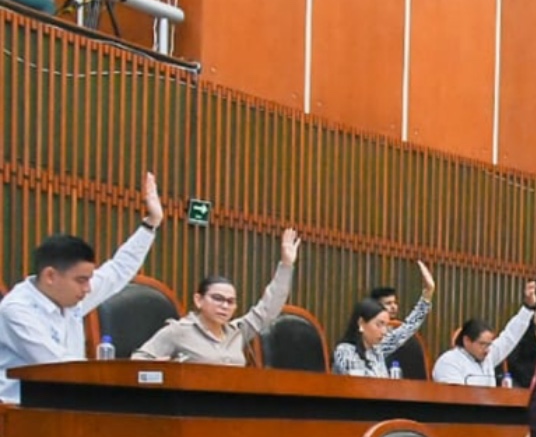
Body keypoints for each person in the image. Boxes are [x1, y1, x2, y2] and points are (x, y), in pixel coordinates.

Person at [0, 171, 163, 402]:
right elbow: (57, 367)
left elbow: (118, 271)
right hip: (18, 416)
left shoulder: (68, 294)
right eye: (82, 280)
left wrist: (151, 224)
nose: (88, 289)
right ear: (50, 276)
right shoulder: (17, 310)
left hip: (65, 405)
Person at [135, 229, 298, 364]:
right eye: (218, 299)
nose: (225, 306)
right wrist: (161, 369)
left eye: (230, 302)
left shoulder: (237, 332)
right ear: (198, 300)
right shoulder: (178, 331)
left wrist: (286, 265)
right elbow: (137, 361)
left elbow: (269, 307)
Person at [434, 275, 536, 385]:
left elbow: (509, 337)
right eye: (482, 344)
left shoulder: (487, 357)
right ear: (466, 340)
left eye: (489, 344)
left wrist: (529, 307)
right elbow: (455, 399)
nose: (488, 349)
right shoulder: (448, 362)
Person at [334, 265, 436, 377]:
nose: (384, 331)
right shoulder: (345, 351)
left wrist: (428, 293)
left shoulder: (378, 350)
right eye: (379, 325)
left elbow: (407, 328)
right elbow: (360, 383)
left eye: (385, 325)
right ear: (361, 323)